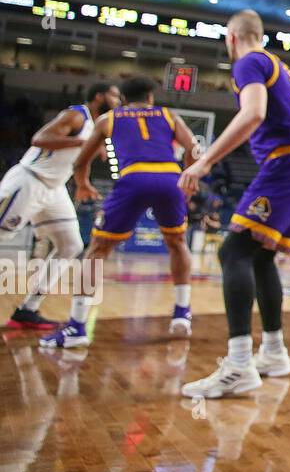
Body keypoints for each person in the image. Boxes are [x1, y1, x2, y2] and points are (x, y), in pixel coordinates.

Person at [177, 10, 290, 398]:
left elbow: (254, 112)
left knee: (233, 252)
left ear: (232, 37)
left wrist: (206, 159)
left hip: (289, 162)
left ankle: (240, 364)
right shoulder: (278, 65)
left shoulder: (249, 62)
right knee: (259, 257)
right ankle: (274, 352)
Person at [41, 77, 198, 348]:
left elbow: (82, 160)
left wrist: (82, 184)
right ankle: (182, 313)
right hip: (169, 179)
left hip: (133, 179)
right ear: (150, 96)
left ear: (123, 98)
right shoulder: (169, 115)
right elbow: (194, 149)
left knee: (97, 250)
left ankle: (77, 326)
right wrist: (189, 179)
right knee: (177, 243)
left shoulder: (108, 120)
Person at [4, 83, 121, 330]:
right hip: (29, 179)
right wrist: (83, 142)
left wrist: (83, 184)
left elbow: (80, 162)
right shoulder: (76, 115)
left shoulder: (99, 127)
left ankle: (28, 309)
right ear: (98, 96)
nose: (118, 100)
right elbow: (40, 138)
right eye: (114, 95)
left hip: (55, 188)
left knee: (71, 246)